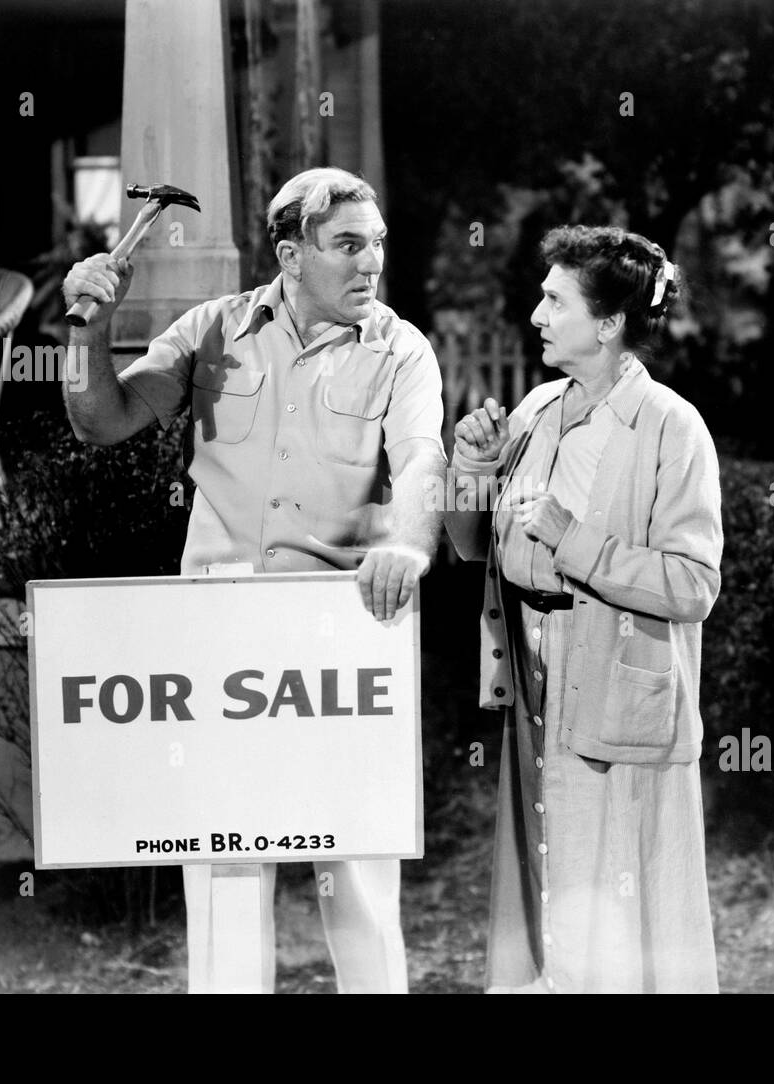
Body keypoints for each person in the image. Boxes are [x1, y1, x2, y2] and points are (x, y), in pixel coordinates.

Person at [61, 166, 446, 993]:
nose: (371, 262)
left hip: (339, 650)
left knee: (361, 885)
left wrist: (409, 547)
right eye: (348, 244)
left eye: (377, 243)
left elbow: (422, 462)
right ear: (291, 253)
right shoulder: (211, 331)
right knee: (227, 885)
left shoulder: (399, 349)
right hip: (220, 654)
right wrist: (88, 328)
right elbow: (102, 421)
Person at [445, 225, 722, 993]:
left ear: (607, 324)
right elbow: (472, 546)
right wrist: (470, 464)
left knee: (615, 896)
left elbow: (693, 583)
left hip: (613, 690)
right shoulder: (536, 409)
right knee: (548, 879)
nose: (535, 313)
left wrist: (578, 543)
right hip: (534, 685)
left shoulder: (671, 426)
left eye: (554, 300)